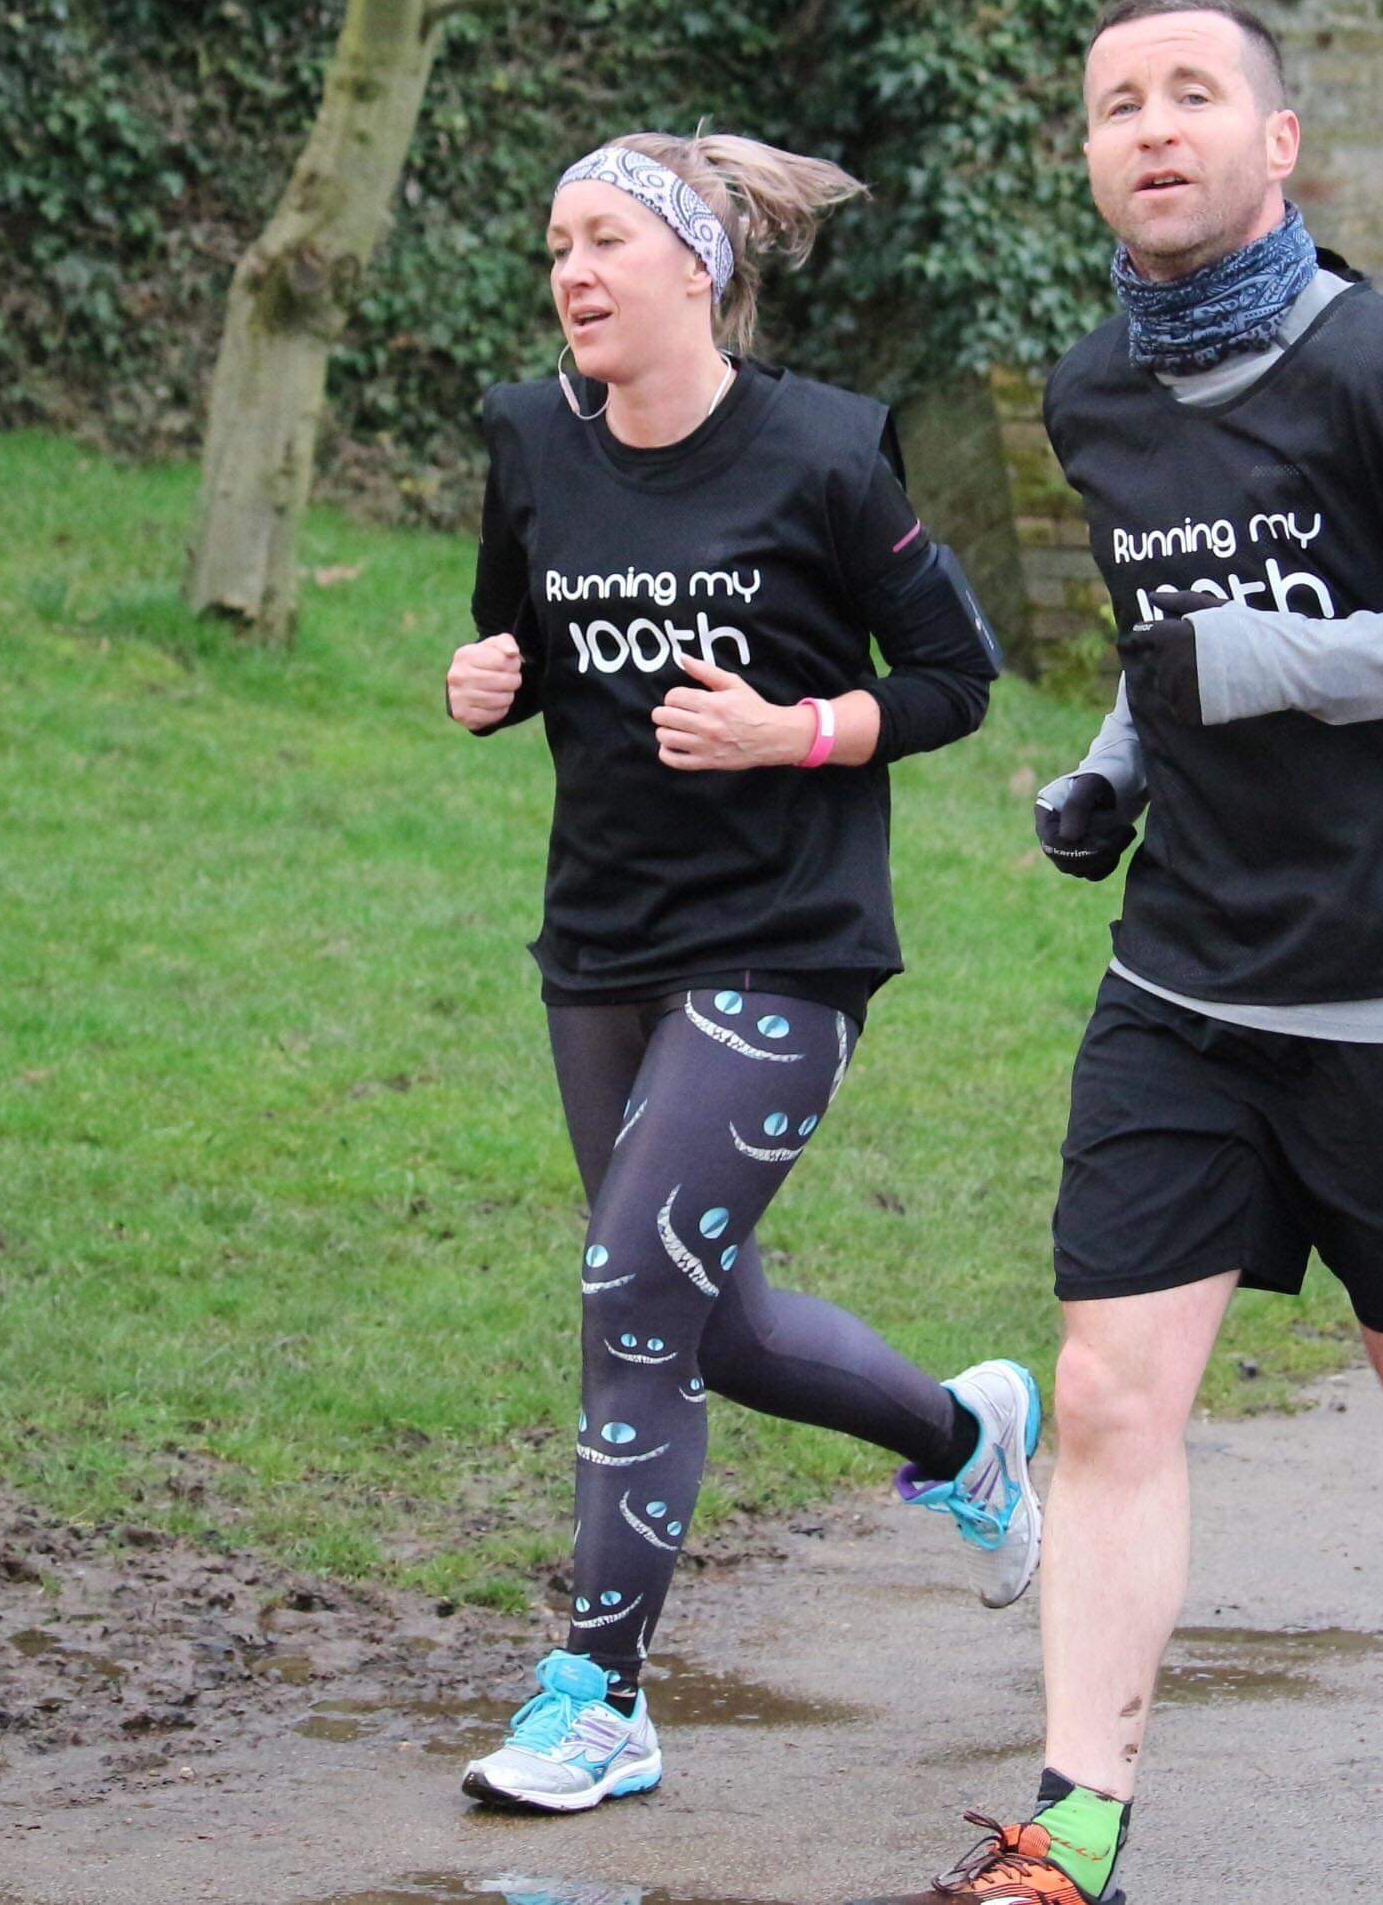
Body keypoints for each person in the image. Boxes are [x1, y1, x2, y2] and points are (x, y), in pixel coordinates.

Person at [852, 0, 1383, 1905]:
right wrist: (1111, 768)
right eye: (1114, 105)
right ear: (1088, 158)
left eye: (1191, 95)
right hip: (1181, 981)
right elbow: (1182, 635)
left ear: (1278, 146)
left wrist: (1287, 671)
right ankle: (1072, 1827)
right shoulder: (1095, 395)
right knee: (1104, 1394)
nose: (1150, 128)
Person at [445, 129, 1040, 1816]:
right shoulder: (527, 437)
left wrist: (799, 729)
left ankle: (601, 1696)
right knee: (717, 1321)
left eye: (604, 239)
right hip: (601, 941)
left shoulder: (827, 449)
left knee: (632, 1279)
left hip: (786, 937)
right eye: (554, 241)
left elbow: (956, 673)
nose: (570, 270)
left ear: (695, 266)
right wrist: (485, 679)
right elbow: (520, 634)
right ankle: (964, 1436)